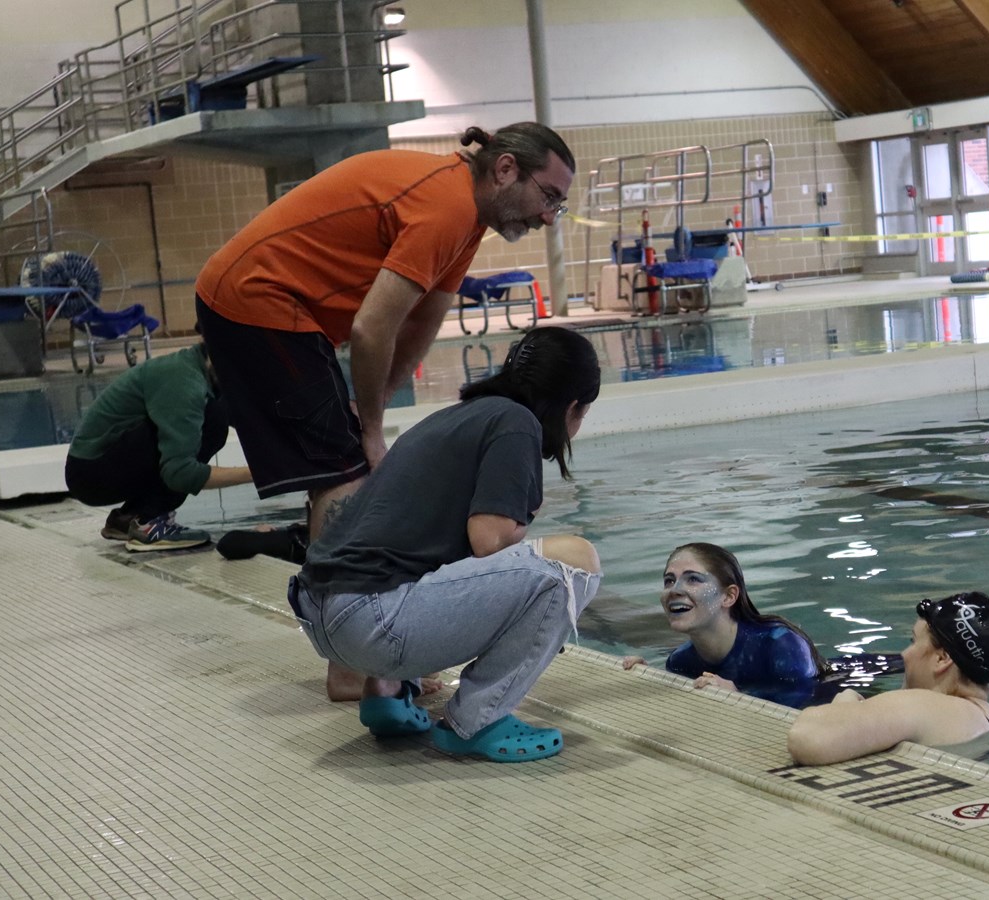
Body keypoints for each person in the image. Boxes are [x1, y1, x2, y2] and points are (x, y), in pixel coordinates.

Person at [193, 121, 573, 700]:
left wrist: (369, 407)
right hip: (258, 299)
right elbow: (374, 328)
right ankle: (352, 666)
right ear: (505, 170)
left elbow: (421, 323)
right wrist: (369, 428)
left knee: (348, 462)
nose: (549, 216)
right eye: (548, 197)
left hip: (271, 302)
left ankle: (367, 656)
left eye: (559, 207)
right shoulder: (445, 207)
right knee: (345, 472)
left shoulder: (467, 216)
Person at [288, 327, 603, 763]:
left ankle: (387, 695)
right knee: (573, 562)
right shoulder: (516, 424)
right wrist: (524, 521)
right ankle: (477, 720)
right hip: (370, 622)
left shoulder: (460, 416)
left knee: (434, 557)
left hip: (325, 616)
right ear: (572, 406)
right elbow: (489, 541)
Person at [786, 591, 989, 766]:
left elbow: (806, 739)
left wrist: (845, 702)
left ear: (942, 659)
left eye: (913, 641)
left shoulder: (924, 705)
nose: (904, 654)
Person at [64, 342, 252, 551]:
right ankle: (148, 523)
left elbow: (250, 420)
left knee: (217, 413)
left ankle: (130, 518)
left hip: (98, 464)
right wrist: (255, 474)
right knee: (213, 422)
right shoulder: (185, 381)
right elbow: (181, 473)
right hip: (91, 474)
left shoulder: (200, 368)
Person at [623, 543, 826, 709]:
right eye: (669, 581)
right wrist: (650, 679)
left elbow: (805, 703)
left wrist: (739, 695)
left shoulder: (781, 644)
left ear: (729, 596)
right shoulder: (680, 662)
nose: (674, 591)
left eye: (693, 579)